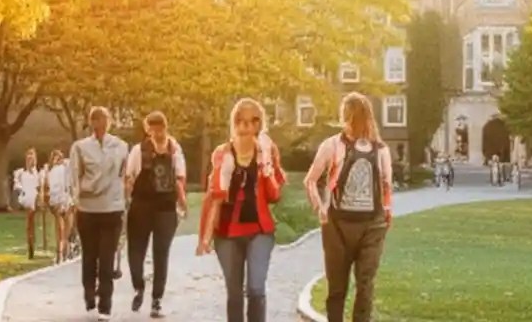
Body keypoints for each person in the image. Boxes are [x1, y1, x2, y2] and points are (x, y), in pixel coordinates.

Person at [304, 92, 394, 322]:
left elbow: (386, 185)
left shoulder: (381, 150)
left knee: (365, 284)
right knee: (337, 287)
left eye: (351, 116)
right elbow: (310, 180)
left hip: (372, 226)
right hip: (336, 226)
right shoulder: (332, 145)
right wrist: (319, 208)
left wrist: (387, 211)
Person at [197, 99, 286, 322]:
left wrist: (265, 167)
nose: (246, 126)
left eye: (252, 121)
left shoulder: (267, 151)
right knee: (234, 293)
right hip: (228, 232)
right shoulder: (222, 153)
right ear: (234, 124)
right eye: (240, 121)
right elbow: (214, 196)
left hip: (259, 231)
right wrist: (205, 237)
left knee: (256, 289)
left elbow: (275, 195)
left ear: (259, 125)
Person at [125, 111, 188, 318]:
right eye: (153, 129)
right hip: (141, 205)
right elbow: (129, 177)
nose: (157, 133)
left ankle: (157, 300)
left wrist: (182, 202)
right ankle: (139, 286)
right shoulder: (138, 151)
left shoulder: (175, 150)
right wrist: (125, 200)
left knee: (161, 253)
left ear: (165, 127)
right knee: (136, 251)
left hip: (165, 207)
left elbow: (179, 178)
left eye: (160, 128)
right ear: (147, 130)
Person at [70, 106, 129, 321]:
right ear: (91, 123)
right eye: (95, 120)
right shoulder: (80, 147)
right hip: (88, 209)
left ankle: (105, 304)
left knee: (106, 258)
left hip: (112, 208)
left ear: (109, 122)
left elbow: (125, 175)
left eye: (103, 120)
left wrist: (124, 201)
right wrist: (75, 201)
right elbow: (74, 177)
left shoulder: (121, 146)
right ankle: (89, 294)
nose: (100, 125)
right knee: (90, 255)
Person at [45, 149, 75, 262]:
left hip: (67, 201)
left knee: (67, 229)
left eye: (59, 157)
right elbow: (51, 188)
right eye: (55, 158)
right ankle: (59, 253)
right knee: (60, 229)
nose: (58, 160)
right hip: (57, 201)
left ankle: (65, 251)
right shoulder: (51, 172)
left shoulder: (66, 168)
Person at [13, 148, 42, 259]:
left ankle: (32, 243)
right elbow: (17, 186)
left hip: (34, 198)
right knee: (29, 223)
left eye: (32, 158)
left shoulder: (37, 173)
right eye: (28, 158)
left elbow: (39, 187)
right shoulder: (21, 173)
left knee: (33, 223)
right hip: (25, 198)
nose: (30, 160)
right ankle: (30, 245)